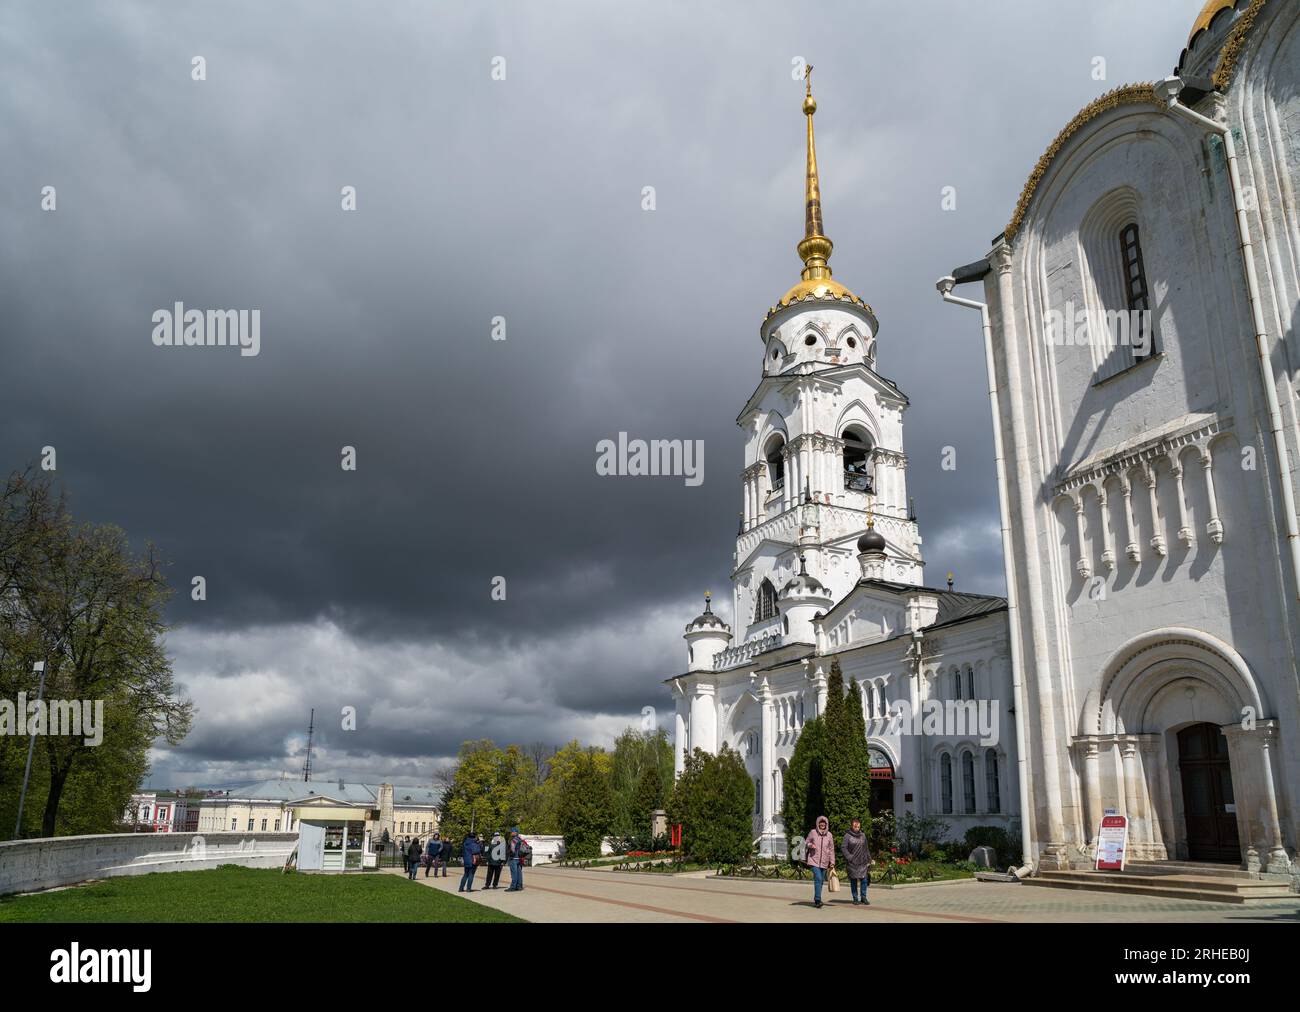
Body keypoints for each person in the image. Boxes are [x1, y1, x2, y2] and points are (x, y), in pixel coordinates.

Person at [805, 815, 836, 908]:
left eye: (824, 823)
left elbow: (831, 849)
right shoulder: (813, 832)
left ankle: (817, 898)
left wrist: (832, 861)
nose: (822, 824)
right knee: (818, 878)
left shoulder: (829, 835)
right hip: (813, 860)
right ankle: (818, 900)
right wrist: (810, 845)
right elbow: (806, 842)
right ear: (818, 823)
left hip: (825, 862)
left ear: (826, 824)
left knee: (821, 880)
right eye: (820, 822)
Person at [841, 817, 872, 906]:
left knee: (864, 880)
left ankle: (863, 897)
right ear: (852, 826)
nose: (857, 828)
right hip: (852, 863)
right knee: (854, 881)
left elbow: (866, 848)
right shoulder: (847, 836)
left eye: (858, 826)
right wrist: (849, 857)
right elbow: (843, 847)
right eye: (855, 826)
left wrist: (869, 859)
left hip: (862, 862)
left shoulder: (863, 835)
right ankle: (855, 898)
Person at [505, 827, 525, 891]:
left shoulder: (514, 840)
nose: (511, 833)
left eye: (512, 832)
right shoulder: (519, 839)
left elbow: (512, 849)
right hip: (519, 858)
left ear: (515, 832)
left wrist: (509, 854)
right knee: (519, 873)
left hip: (513, 858)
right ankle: (519, 886)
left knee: (514, 873)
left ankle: (513, 887)